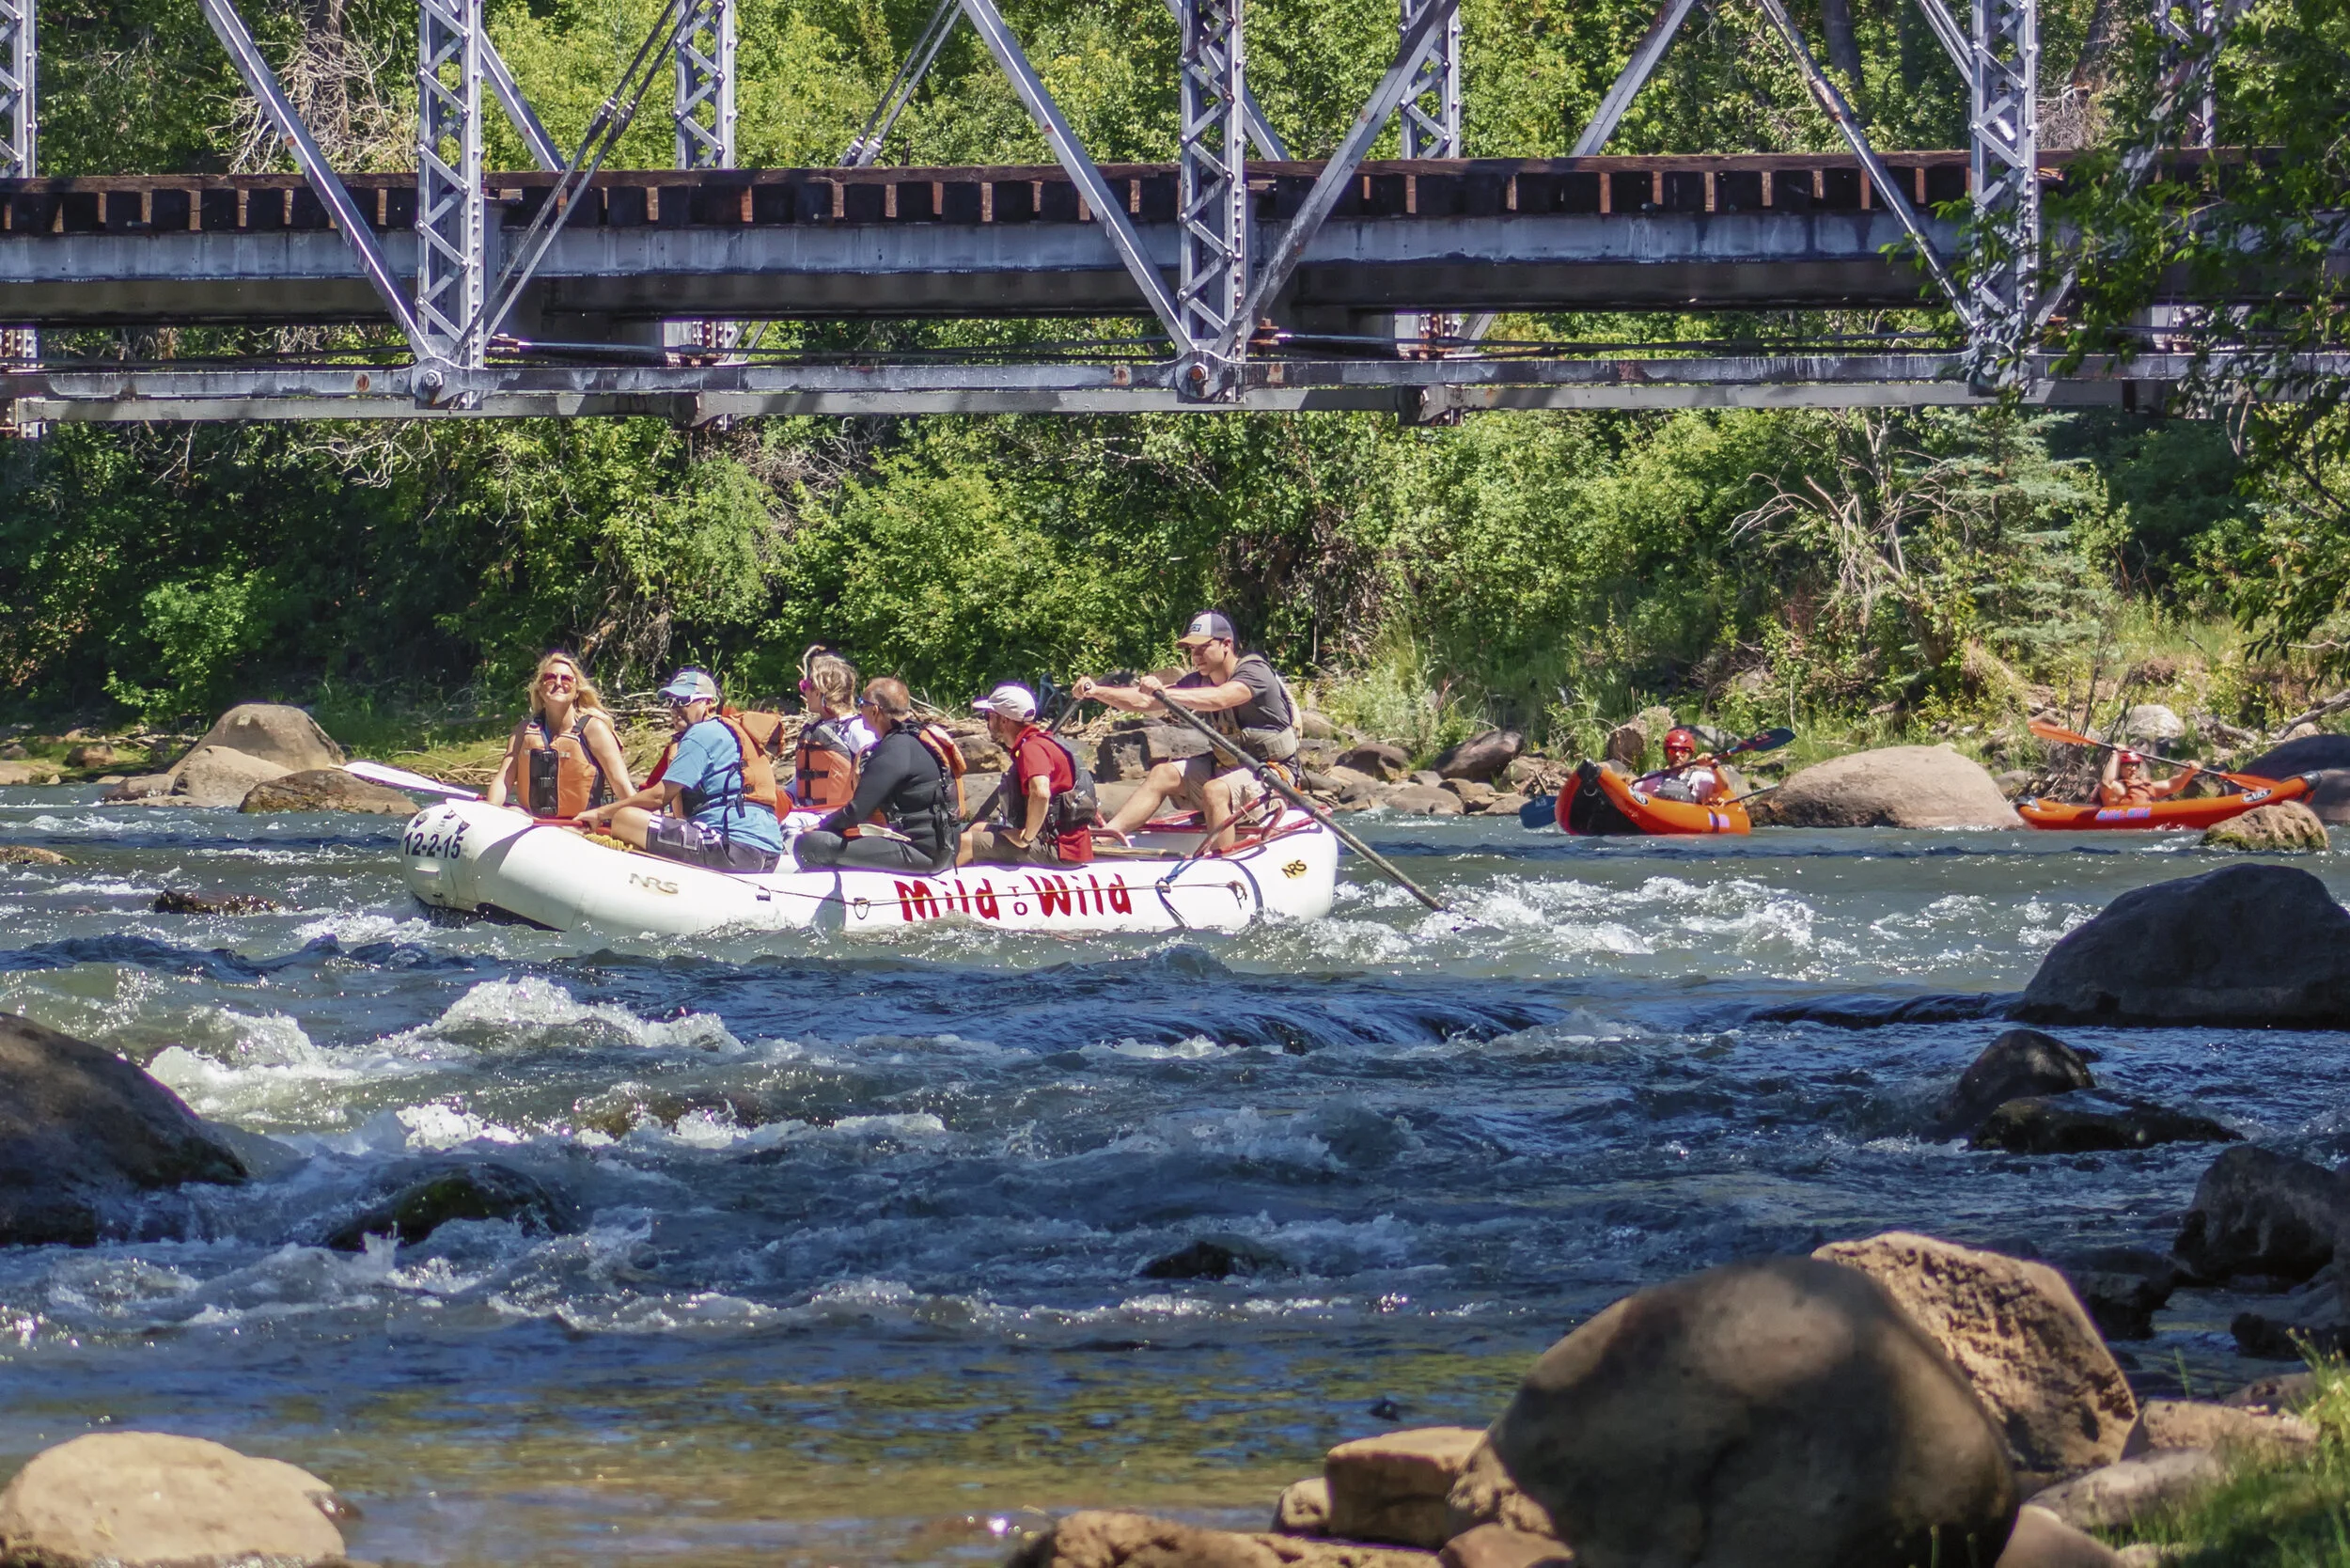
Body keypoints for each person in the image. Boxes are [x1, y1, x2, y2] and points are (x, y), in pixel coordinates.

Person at [1072, 611, 1296, 852]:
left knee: (1215, 790)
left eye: (1203, 648)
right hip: (1227, 768)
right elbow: (1144, 702)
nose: (1195, 655)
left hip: (1272, 776)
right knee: (1162, 773)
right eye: (1191, 649)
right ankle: (1102, 841)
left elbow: (1222, 698)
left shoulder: (1254, 671)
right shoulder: (1199, 679)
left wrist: (1165, 693)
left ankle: (1224, 861)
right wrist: (1096, 691)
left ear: (1226, 645)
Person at [573, 667, 786, 872]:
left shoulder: (702, 733)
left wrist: (600, 813)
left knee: (625, 819)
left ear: (709, 703)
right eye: (671, 701)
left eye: (683, 701)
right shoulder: (726, 731)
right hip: (767, 853)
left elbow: (658, 797)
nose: (675, 708)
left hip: (734, 848)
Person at [793, 677, 961, 872]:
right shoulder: (915, 739)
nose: (859, 710)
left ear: (875, 710)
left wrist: (821, 827)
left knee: (810, 844)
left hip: (921, 853)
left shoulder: (894, 748)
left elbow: (857, 810)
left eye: (861, 704)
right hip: (944, 850)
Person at [485, 651, 634, 820]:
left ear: (577, 691)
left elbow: (623, 788)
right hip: (531, 822)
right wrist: (491, 812)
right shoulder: (524, 729)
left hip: (578, 827)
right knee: (513, 811)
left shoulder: (594, 729)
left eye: (566, 679)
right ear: (540, 689)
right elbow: (504, 780)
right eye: (550, 677)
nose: (558, 683)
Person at [959, 683, 1095, 867]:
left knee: (965, 843)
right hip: (1065, 845)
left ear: (1004, 720)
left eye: (989, 716)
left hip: (1056, 850)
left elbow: (1040, 793)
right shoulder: (1043, 742)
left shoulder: (1031, 749)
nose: (987, 723)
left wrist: (1026, 837)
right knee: (976, 828)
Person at [790, 647, 876, 817]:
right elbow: (800, 782)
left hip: (836, 817)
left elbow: (876, 770)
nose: (804, 690)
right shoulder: (814, 729)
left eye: (806, 685)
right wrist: (784, 796)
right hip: (804, 812)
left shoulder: (855, 729)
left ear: (822, 691)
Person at [1637, 727, 1727, 805]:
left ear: (1690, 754)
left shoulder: (1698, 778)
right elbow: (1630, 790)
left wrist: (1713, 764)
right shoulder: (1652, 778)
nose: (1677, 755)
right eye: (1672, 751)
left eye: (1683, 751)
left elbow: (1723, 786)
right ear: (1666, 754)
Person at [2100, 747, 2201, 806]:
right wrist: (2116, 754)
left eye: (2136, 765)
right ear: (2120, 768)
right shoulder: (2117, 788)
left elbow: (2172, 785)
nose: (2134, 769)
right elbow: (2106, 782)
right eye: (2129, 765)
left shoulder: (2146, 786)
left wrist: (2189, 772)